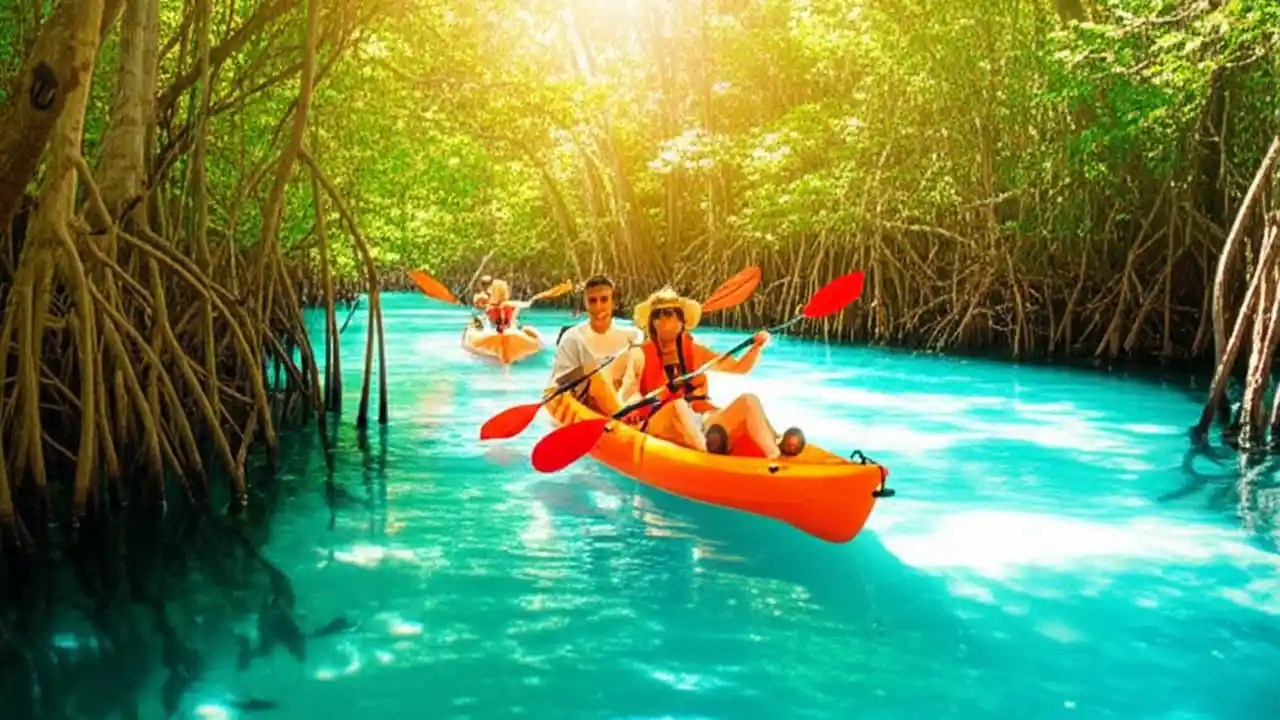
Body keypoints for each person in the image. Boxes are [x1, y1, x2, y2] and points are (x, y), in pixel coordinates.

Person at [629, 287, 804, 458]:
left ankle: (774, 457)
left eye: (668, 313)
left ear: (681, 322)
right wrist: (634, 406)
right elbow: (629, 392)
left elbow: (739, 369)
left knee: (749, 400)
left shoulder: (695, 351)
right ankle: (707, 459)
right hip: (661, 420)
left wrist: (757, 347)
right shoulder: (640, 354)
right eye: (656, 315)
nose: (661, 320)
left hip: (699, 418)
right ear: (651, 323)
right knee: (678, 405)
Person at [549, 275, 642, 414]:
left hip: (622, 397)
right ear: (586, 304)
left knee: (635, 355)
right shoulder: (573, 338)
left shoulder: (631, 336)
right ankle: (621, 415)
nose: (598, 307)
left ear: (614, 303)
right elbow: (558, 382)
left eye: (604, 300)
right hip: (586, 403)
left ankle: (624, 413)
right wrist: (589, 372)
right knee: (594, 372)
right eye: (592, 301)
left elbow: (635, 375)